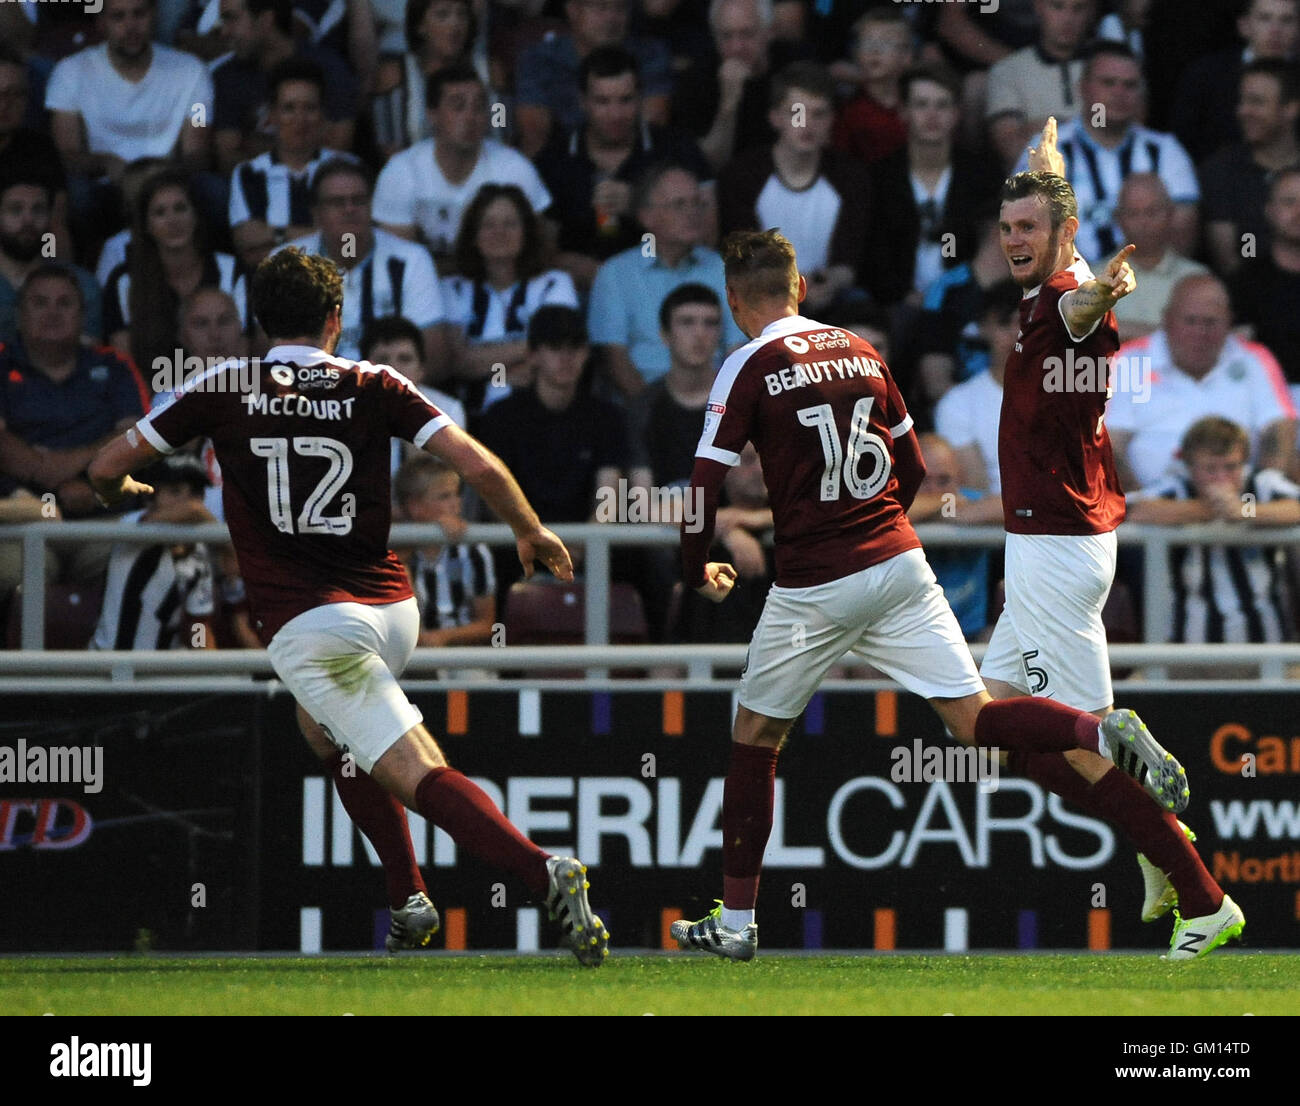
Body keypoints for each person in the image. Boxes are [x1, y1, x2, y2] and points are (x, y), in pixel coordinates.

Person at [672, 228, 1232, 963]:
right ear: (802, 287)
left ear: (736, 300)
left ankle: (738, 923)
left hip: (812, 583)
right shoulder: (861, 350)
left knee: (754, 740)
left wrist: (694, 570)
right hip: (899, 564)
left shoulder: (747, 362)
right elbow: (909, 466)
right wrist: (875, 526)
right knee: (979, 722)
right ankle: (1095, 733)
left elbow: (702, 488)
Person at [87, 247, 610, 966]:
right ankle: (409, 899)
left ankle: (538, 870)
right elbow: (478, 465)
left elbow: (104, 468)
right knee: (323, 730)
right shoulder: (374, 381)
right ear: (336, 319)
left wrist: (126, 494)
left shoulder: (223, 385)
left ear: (258, 321)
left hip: (312, 625)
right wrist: (528, 527)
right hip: (393, 607)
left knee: (416, 774)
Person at [981, 121, 1242, 956]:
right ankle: (1159, 850)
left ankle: (1202, 898)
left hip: (1058, 547)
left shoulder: (1070, 298)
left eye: (1030, 227)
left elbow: (1083, 310)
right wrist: (1046, 160)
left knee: (1082, 745)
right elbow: (1071, 263)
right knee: (997, 723)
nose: (1014, 238)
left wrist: (1105, 297)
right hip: (1051, 539)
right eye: (1008, 226)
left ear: (1061, 237)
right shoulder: (1061, 270)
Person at [1108, 273, 1296, 489]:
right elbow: (1109, 447)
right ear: (1167, 320)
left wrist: (1263, 490)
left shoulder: (1255, 358)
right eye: (1190, 321)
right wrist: (1138, 502)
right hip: (1149, 508)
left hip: (1241, 508)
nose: (1199, 332)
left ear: (1229, 322)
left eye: (1210, 322)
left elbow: (1280, 430)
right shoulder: (1127, 361)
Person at [1126, 415, 1300, 647]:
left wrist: (1244, 511)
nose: (1221, 478)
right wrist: (1210, 509)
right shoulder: (1177, 486)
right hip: (1189, 647)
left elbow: (1295, 506)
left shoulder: (1260, 484)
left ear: (1244, 461)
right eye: (1210, 469)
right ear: (1189, 466)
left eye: (1231, 467)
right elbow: (1136, 511)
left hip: (1265, 645)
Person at [717, 61, 870, 315]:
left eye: (818, 114)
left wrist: (827, 282)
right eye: (797, 113)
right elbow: (741, 259)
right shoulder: (742, 175)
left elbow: (849, 262)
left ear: (832, 119)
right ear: (775, 117)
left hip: (832, 300)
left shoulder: (851, 177)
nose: (806, 124)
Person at [371, 63, 552, 265]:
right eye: (458, 106)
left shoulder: (514, 168)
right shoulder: (400, 171)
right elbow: (399, 262)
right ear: (432, 114)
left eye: (479, 107)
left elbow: (538, 248)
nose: (470, 117)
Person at [285, 159, 447, 366]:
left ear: (372, 206)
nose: (349, 209)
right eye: (337, 202)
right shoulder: (287, 263)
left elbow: (435, 356)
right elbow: (271, 351)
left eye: (358, 200)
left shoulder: (411, 260)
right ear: (316, 213)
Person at [439, 184, 579, 412]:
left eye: (510, 224)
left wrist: (484, 362)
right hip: (468, 420)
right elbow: (456, 361)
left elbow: (559, 352)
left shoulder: (554, 284)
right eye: (488, 224)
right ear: (473, 236)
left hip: (537, 414)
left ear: (527, 233)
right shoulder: (452, 289)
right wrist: (528, 351)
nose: (499, 232)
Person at [104, 169, 249, 379]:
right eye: (160, 213)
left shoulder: (231, 270)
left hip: (223, 390)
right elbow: (125, 366)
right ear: (146, 225)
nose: (173, 221)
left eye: (180, 208)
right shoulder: (124, 281)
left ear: (196, 215)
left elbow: (242, 352)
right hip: (153, 400)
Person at [228, 58, 358, 270]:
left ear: (323, 114)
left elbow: (350, 247)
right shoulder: (248, 173)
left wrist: (275, 234)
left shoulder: (348, 170)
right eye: (289, 108)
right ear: (272, 116)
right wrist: (326, 235)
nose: (300, 119)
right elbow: (249, 250)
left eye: (310, 108)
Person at [90, 452, 219, 651]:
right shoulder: (132, 525)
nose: (192, 500)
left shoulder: (199, 550)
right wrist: (221, 539)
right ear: (151, 495)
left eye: (197, 492)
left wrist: (209, 669)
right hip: (111, 668)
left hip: (163, 672)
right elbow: (188, 511)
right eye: (176, 491)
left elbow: (198, 626)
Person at [1200, 59, 1300, 278]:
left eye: (1256, 102)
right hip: (1249, 299)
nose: (1243, 111)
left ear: (1291, 109)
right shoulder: (1222, 170)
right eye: (1242, 101)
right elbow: (1230, 261)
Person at [1109, 173, 1207, 343]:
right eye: (1133, 213)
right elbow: (1087, 336)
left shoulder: (1199, 278)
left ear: (1171, 214)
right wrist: (1173, 334)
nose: (1143, 222)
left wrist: (1125, 331)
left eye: (1152, 212)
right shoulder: (1090, 277)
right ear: (1118, 219)